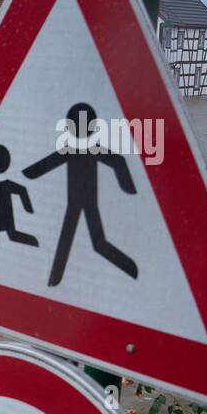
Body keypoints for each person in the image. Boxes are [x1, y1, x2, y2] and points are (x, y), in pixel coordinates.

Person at [24, 102, 138, 287]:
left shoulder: (82, 149)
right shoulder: (77, 149)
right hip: (78, 203)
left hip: (84, 202)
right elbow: (45, 164)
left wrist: (129, 188)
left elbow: (117, 161)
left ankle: (129, 268)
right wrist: (28, 173)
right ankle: (55, 278)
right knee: (85, 240)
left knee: (87, 241)